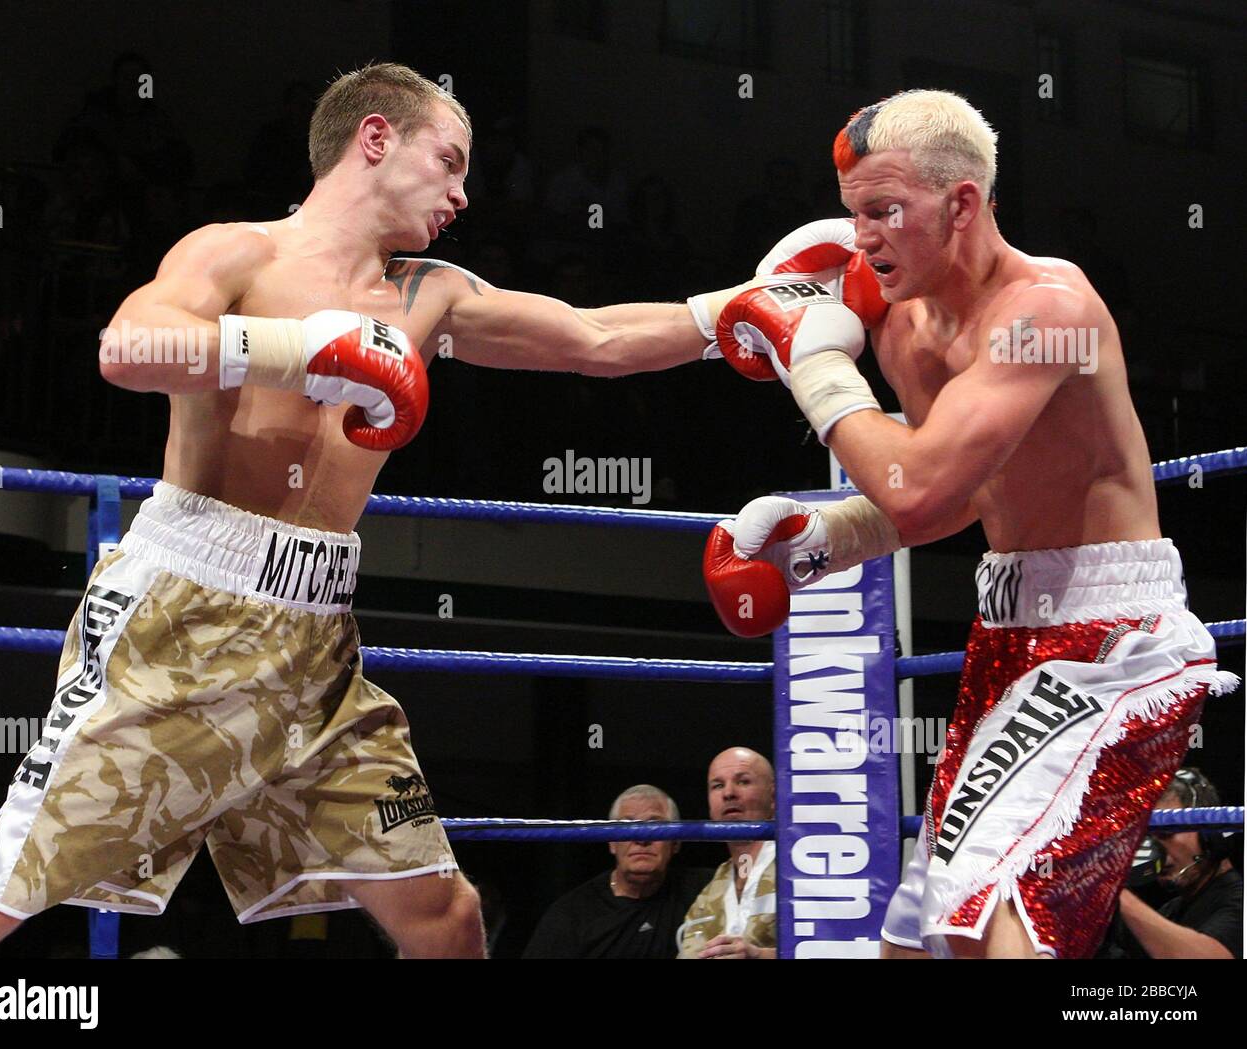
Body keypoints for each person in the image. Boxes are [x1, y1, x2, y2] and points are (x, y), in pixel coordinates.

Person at [0, 62, 752, 959]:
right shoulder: (238, 251)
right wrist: (306, 350)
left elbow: (596, 339)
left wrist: (744, 310)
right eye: (449, 162)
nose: (463, 192)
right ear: (376, 138)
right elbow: (129, 348)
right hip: (181, 617)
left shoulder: (429, 292)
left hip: (316, 652)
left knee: (446, 917)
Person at [701, 89, 1240, 958]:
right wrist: (824, 539)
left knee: (998, 914)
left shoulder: (1050, 313)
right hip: (1009, 634)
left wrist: (813, 364)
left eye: (885, 211)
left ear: (962, 203)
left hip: (1114, 636)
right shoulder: (906, 330)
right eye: (854, 214)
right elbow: (945, 501)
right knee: (919, 937)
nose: (863, 237)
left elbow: (915, 486)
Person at [523, 785, 709, 959]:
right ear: (612, 842)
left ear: (675, 842)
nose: (641, 838)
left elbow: (740, 863)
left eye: (655, 826)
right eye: (627, 826)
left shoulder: (705, 891)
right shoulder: (572, 915)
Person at [1108, 768, 1242, 958]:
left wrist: (1115, 892)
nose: (1155, 850)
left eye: (1166, 834)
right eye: (1147, 838)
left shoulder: (1239, 901)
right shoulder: (1171, 911)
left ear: (1209, 834)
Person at [677, 748, 777, 959]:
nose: (728, 793)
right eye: (718, 785)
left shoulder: (801, 866)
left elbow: (839, 945)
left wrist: (760, 956)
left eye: (743, 781)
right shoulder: (710, 893)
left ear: (774, 797)